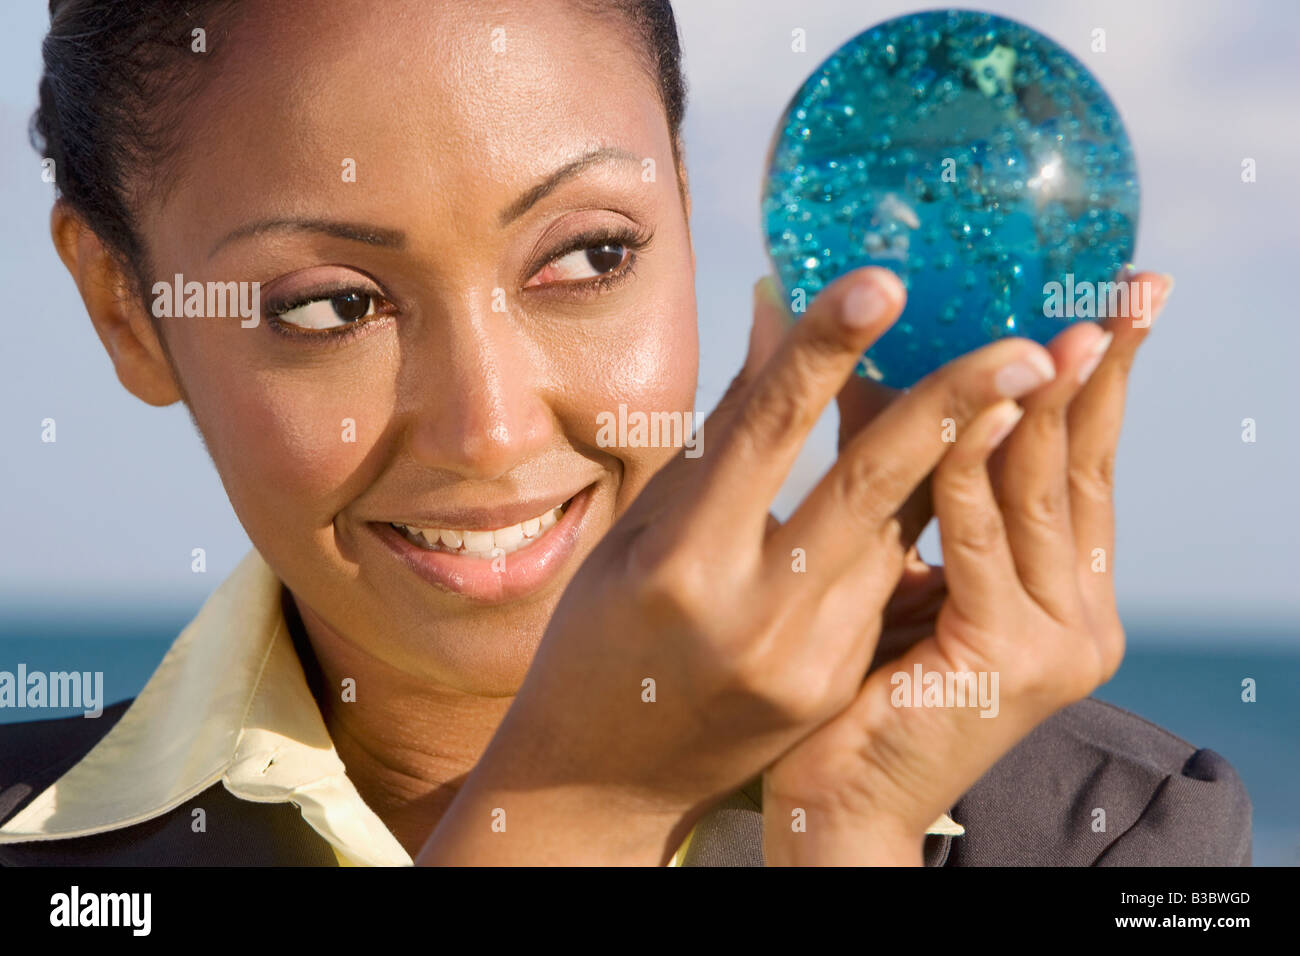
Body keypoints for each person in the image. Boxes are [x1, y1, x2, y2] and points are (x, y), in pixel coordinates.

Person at [0, 0, 1250, 866]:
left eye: (589, 254)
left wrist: (850, 833)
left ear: (690, 206)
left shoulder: (1111, 833)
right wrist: (578, 800)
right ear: (129, 309)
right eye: (331, 305)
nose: (491, 429)